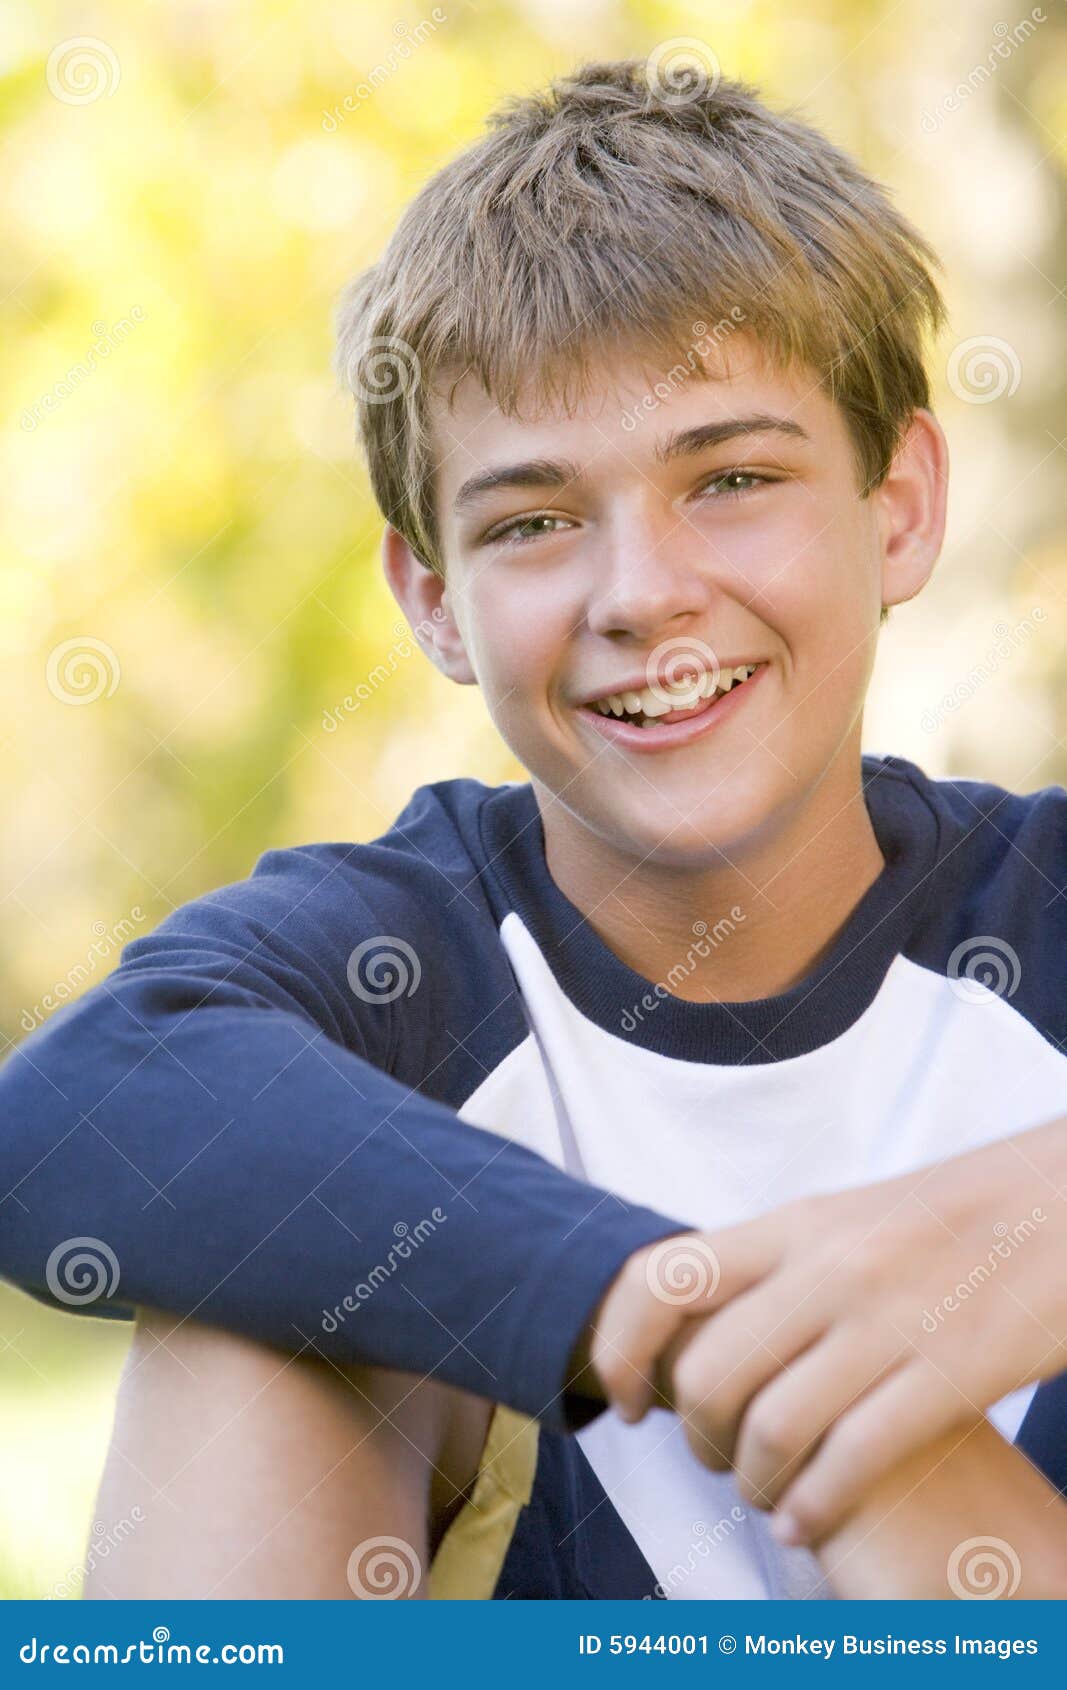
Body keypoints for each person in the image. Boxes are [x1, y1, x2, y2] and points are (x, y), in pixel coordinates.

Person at [2, 58, 1067, 1599]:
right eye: (532, 521)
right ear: (434, 598)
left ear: (897, 504)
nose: (641, 592)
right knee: (259, 1282)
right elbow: (83, 1104)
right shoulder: (402, 965)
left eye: (735, 477)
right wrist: (682, 1314)